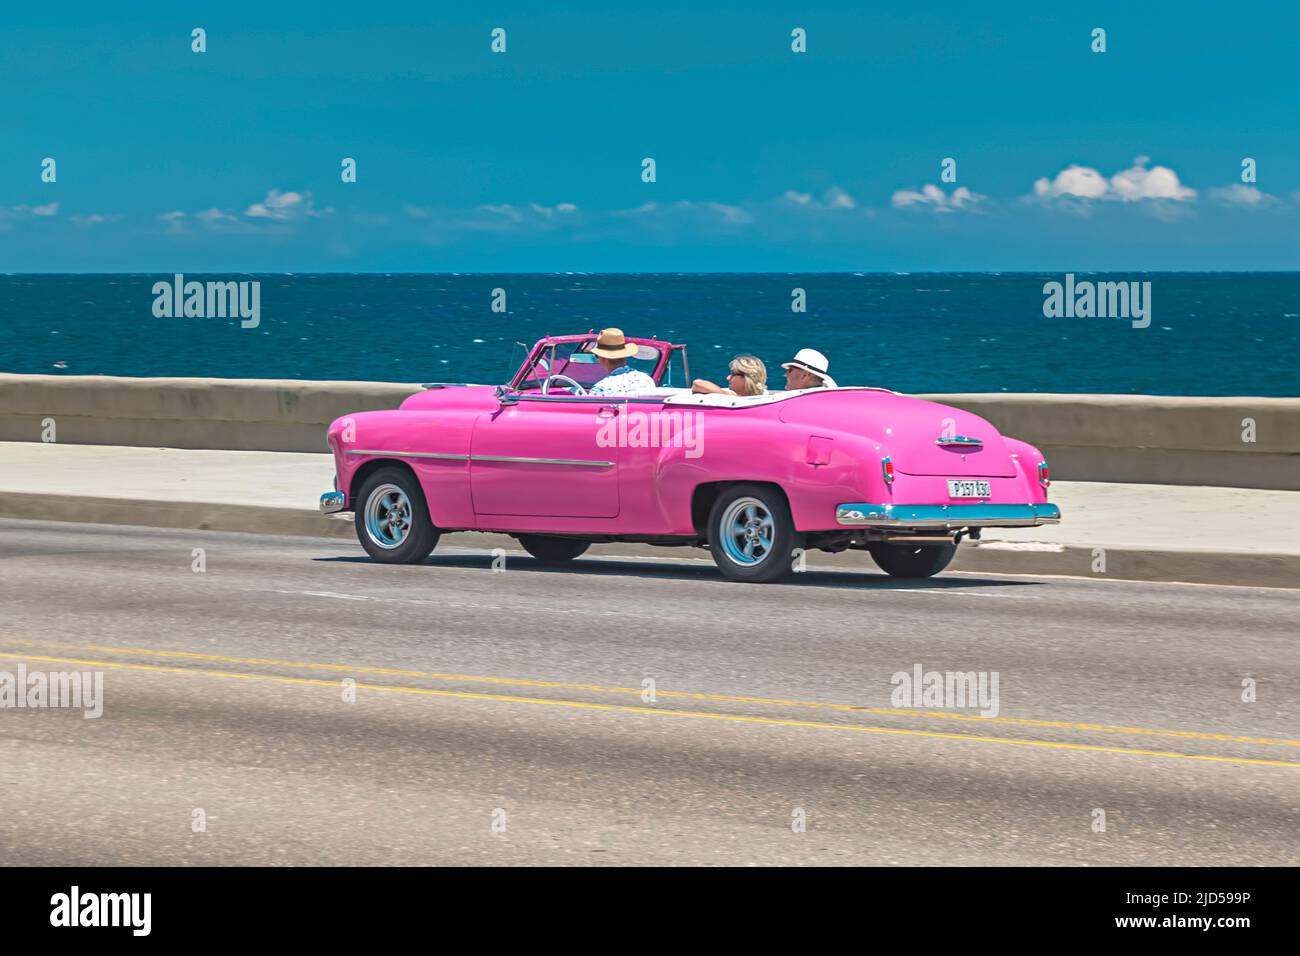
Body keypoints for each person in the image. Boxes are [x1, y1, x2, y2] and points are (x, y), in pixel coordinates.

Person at [587, 328, 657, 396]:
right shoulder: (646, 380)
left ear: (603, 358)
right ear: (624, 354)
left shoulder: (601, 388)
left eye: (597, 356)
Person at [691, 354, 768, 396]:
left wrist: (725, 395)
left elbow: (698, 384)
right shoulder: (763, 396)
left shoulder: (732, 398)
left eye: (733, 374)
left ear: (746, 378)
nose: (728, 378)